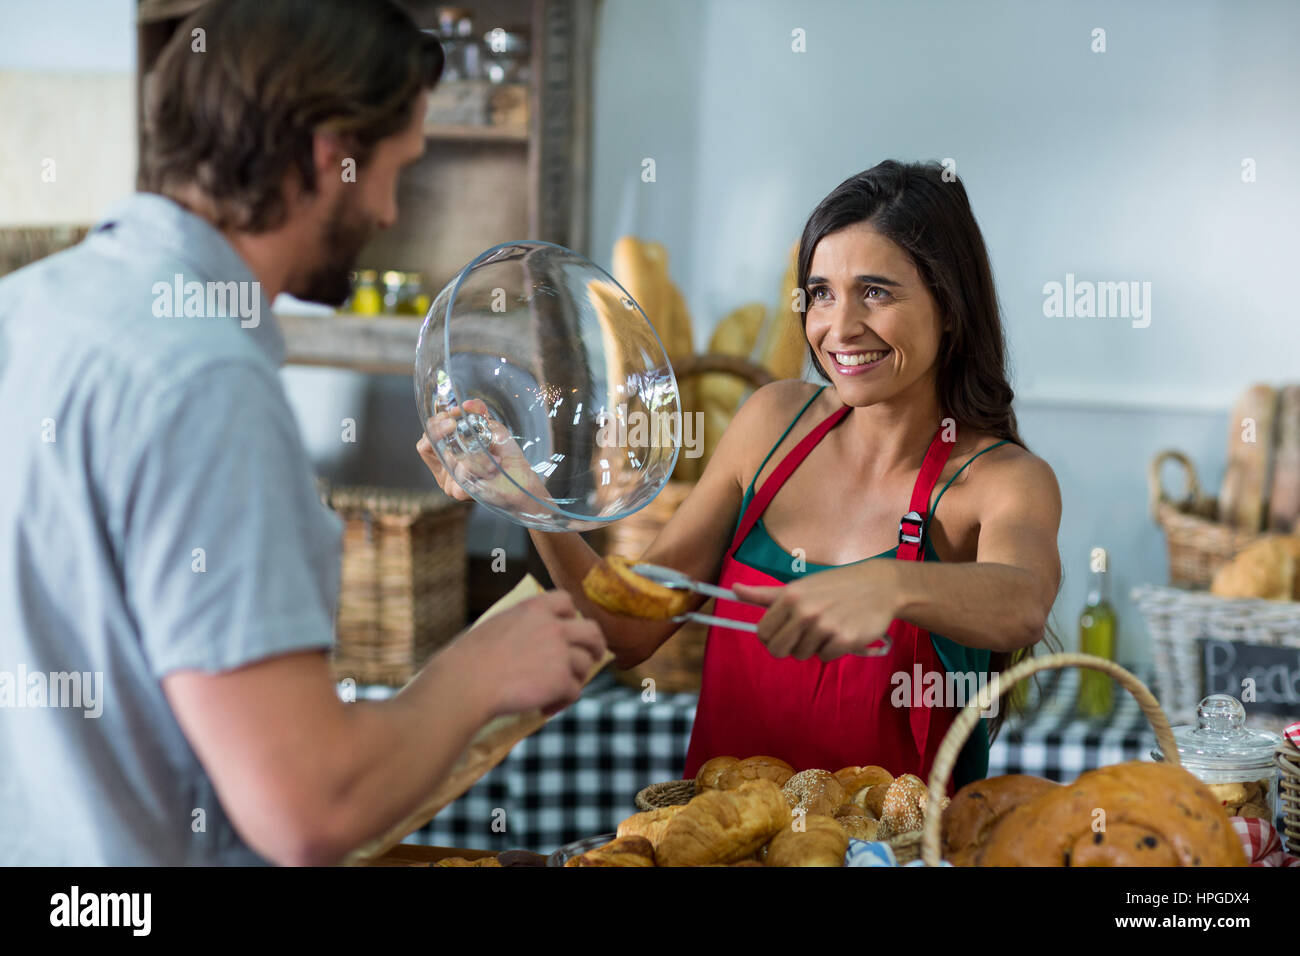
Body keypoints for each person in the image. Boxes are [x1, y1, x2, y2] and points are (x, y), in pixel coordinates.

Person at [0, 0, 604, 866]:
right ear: (332, 156)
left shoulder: (26, 308)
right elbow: (309, 806)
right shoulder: (207, 380)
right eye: (399, 168)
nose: (392, 211)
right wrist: (481, 672)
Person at [420, 161, 1061, 791]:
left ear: (951, 307)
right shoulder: (772, 424)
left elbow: (1023, 602)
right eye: (820, 294)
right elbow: (627, 627)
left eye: (877, 292)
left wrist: (892, 585)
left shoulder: (1000, 480)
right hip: (722, 846)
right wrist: (531, 502)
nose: (839, 328)